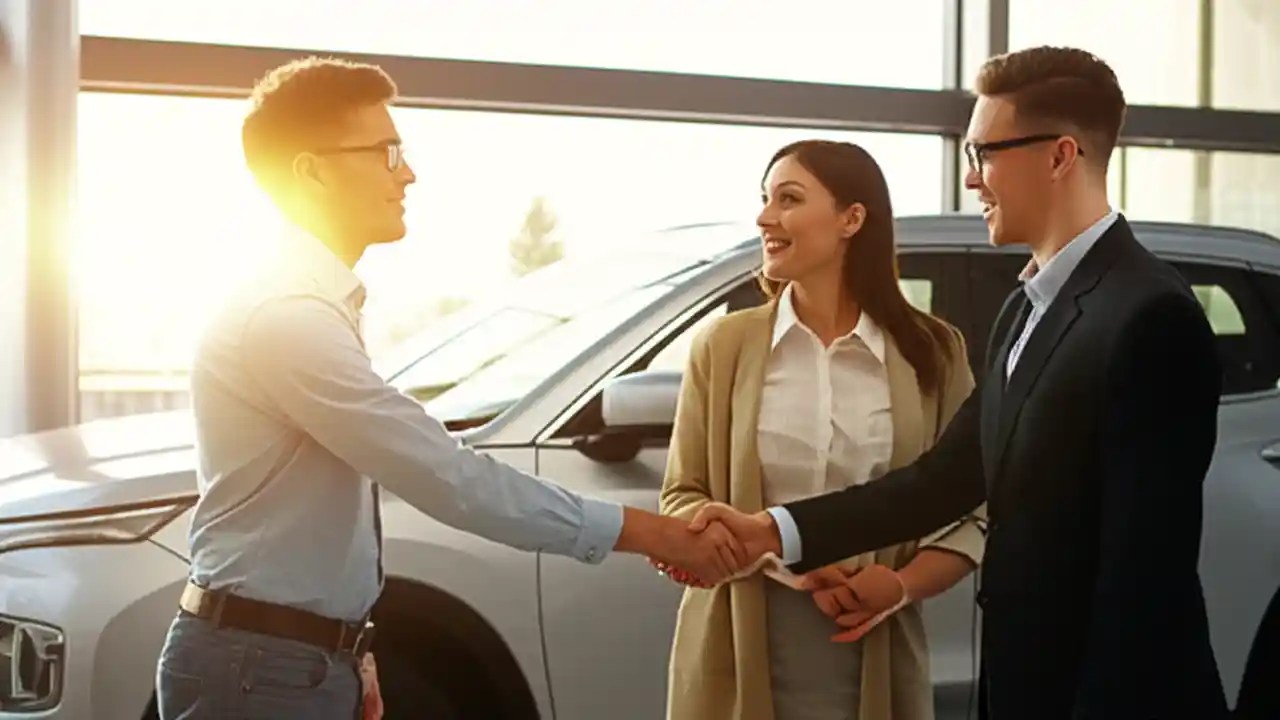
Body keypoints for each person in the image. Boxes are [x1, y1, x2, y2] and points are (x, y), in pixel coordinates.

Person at [154, 57, 744, 720]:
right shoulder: (286, 316)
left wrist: (349, 653)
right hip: (262, 674)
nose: (407, 173)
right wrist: (653, 533)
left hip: (292, 663)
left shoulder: (309, 303)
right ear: (311, 170)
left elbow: (318, 526)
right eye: (385, 152)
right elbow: (447, 475)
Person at [688, 46, 1230, 720]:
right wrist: (773, 530)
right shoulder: (1026, 307)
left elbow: (1143, 583)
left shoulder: (1150, 316)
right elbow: (946, 478)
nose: (972, 180)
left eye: (983, 155)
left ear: (1060, 156)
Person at [657, 140, 986, 720]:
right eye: (764, 199)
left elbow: (973, 506)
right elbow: (682, 496)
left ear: (851, 219)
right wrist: (776, 557)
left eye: (788, 198)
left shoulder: (933, 351)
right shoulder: (724, 345)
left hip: (873, 643)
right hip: (737, 643)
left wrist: (900, 586)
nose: (764, 217)